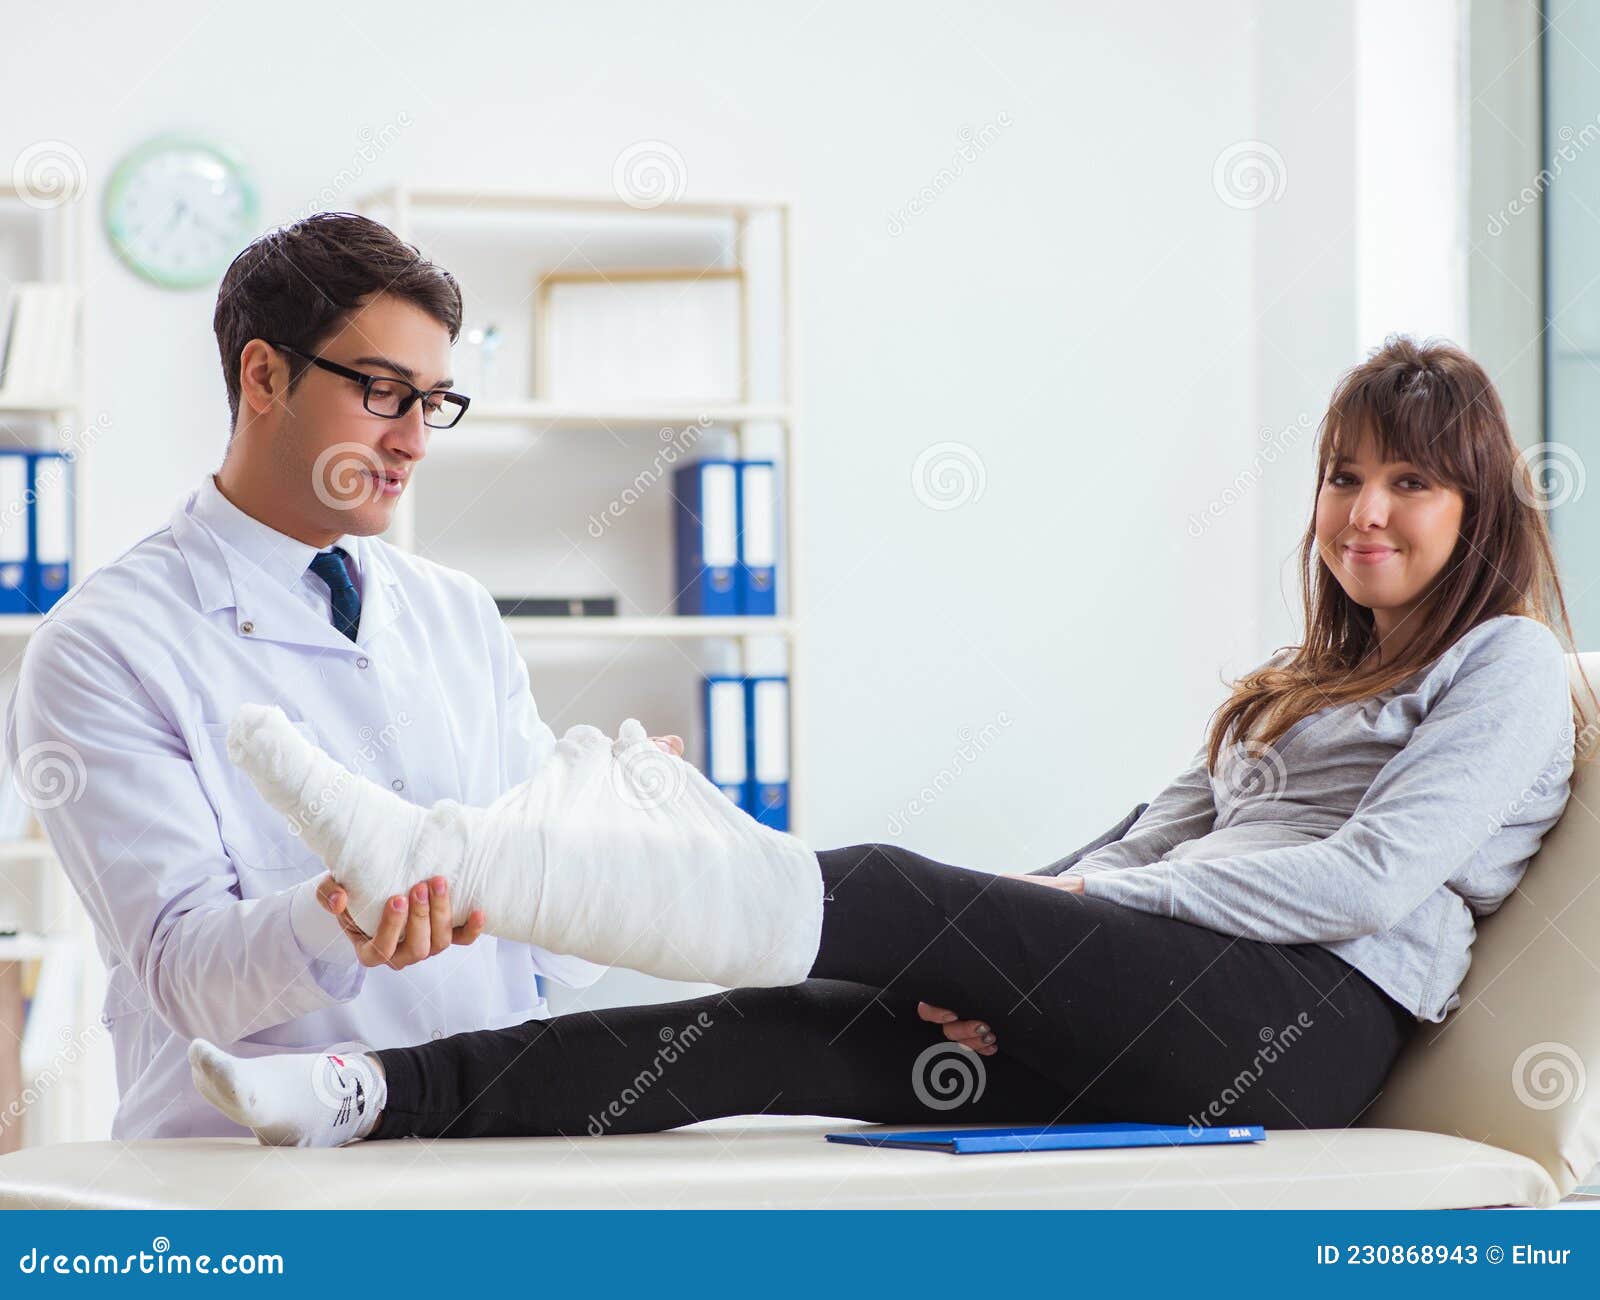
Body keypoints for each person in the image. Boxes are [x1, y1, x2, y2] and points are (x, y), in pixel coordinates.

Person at [189, 336, 1586, 1149]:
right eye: (1346, 476)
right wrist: (1008, 951)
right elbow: (1137, 846)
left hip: (1301, 1027)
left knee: (882, 885)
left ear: (1481, 508)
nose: (1365, 512)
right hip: (1175, 996)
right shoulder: (1296, 683)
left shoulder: (1507, 665)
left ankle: (441, 856)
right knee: (771, 1037)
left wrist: (1053, 917)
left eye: (1412, 484)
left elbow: (1364, 886)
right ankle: (372, 1095)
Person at [4, 212, 684, 1138]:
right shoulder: (106, 645)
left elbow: (535, 923)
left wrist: (606, 842)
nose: (414, 440)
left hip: (496, 1155)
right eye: (382, 391)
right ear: (264, 375)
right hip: (253, 1188)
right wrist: (339, 919)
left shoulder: (458, 615)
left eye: (434, 400)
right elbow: (181, 971)